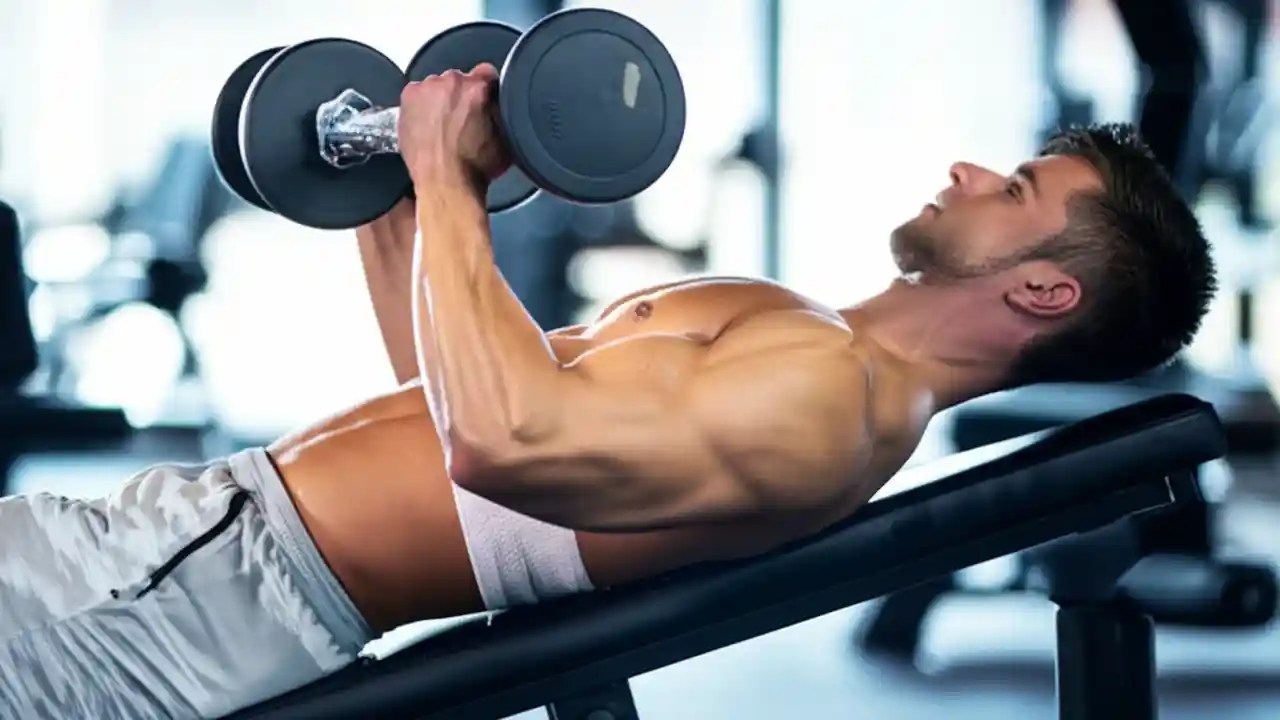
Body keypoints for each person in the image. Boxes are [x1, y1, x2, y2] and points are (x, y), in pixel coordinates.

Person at [0, 63, 1216, 718]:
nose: (966, 169)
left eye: (1012, 187)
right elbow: (454, 403)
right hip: (181, 550)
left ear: (1044, 294)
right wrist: (400, 202)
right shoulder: (798, 330)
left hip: (187, 597)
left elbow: (496, 441)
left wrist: (449, 175)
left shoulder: (828, 407)